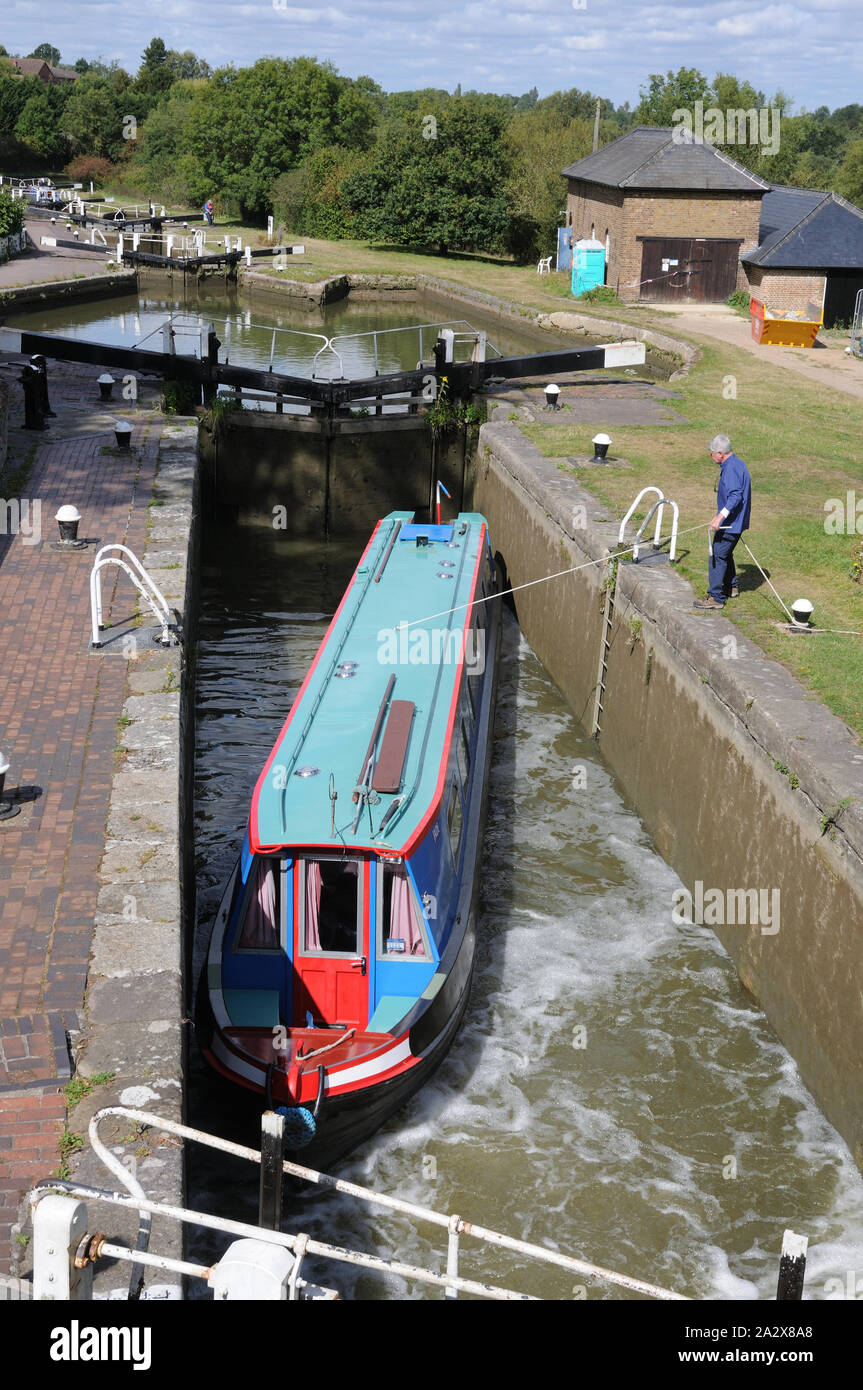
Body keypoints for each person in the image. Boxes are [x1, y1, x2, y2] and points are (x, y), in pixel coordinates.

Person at [693, 434, 752, 610]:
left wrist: (720, 517)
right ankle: (731, 586)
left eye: (711, 453)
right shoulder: (735, 464)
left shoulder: (731, 469)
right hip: (734, 522)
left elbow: (735, 496)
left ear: (720, 453)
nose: (710, 456)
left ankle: (716, 597)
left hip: (730, 523)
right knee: (725, 553)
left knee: (717, 555)